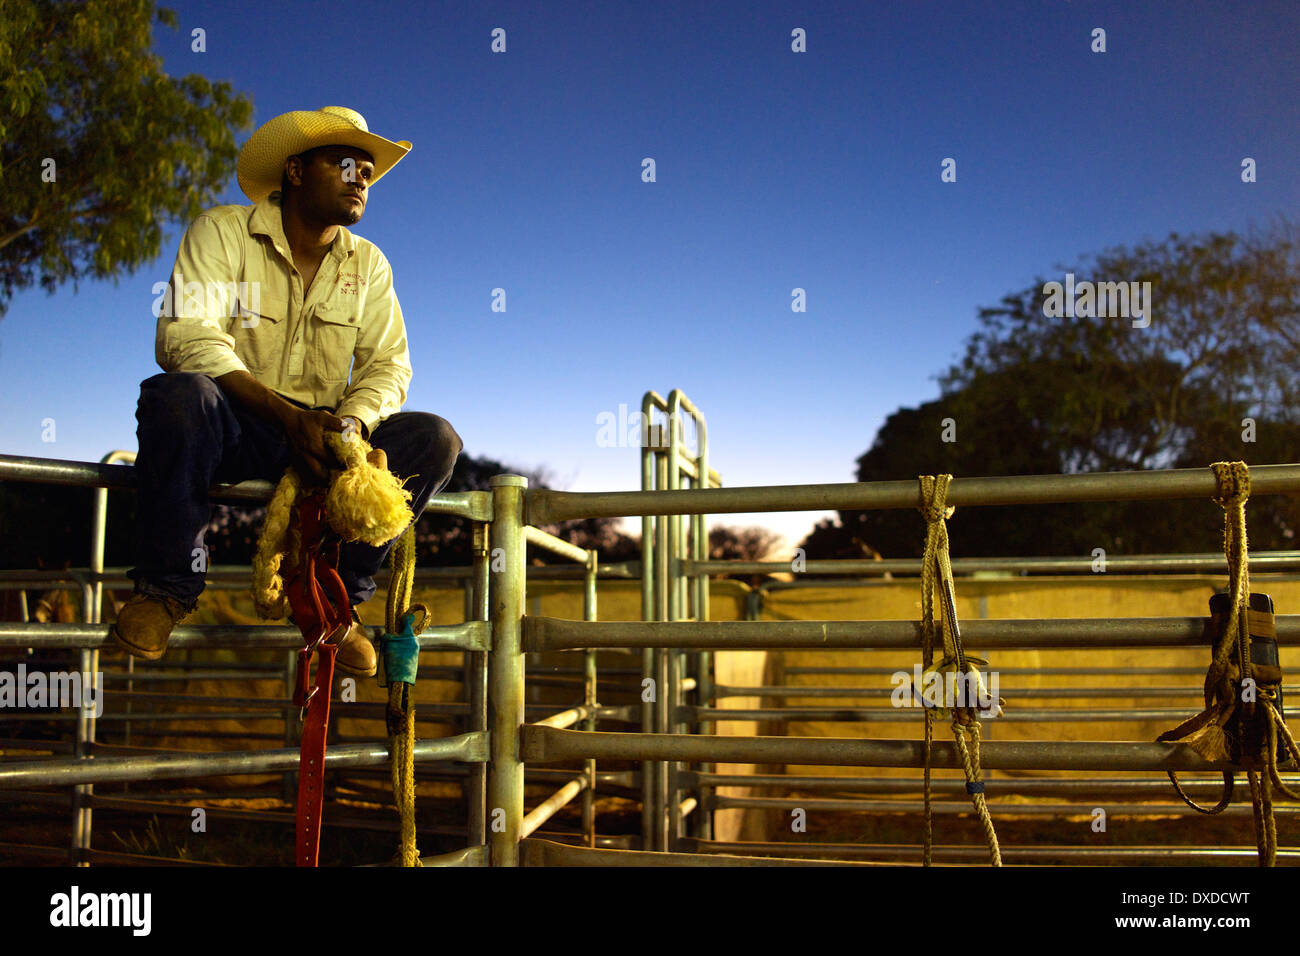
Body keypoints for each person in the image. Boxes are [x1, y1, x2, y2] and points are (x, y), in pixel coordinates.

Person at [112, 106, 463, 677]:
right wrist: (285, 417)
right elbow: (185, 334)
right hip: (236, 422)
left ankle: (335, 599)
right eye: (344, 163)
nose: (360, 178)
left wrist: (348, 430)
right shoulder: (223, 231)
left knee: (434, 439)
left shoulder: (369, 265)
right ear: (295, 172)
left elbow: (388, 367)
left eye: (367, 170)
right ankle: (166, 589)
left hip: (325, 439)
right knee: (177, 396)